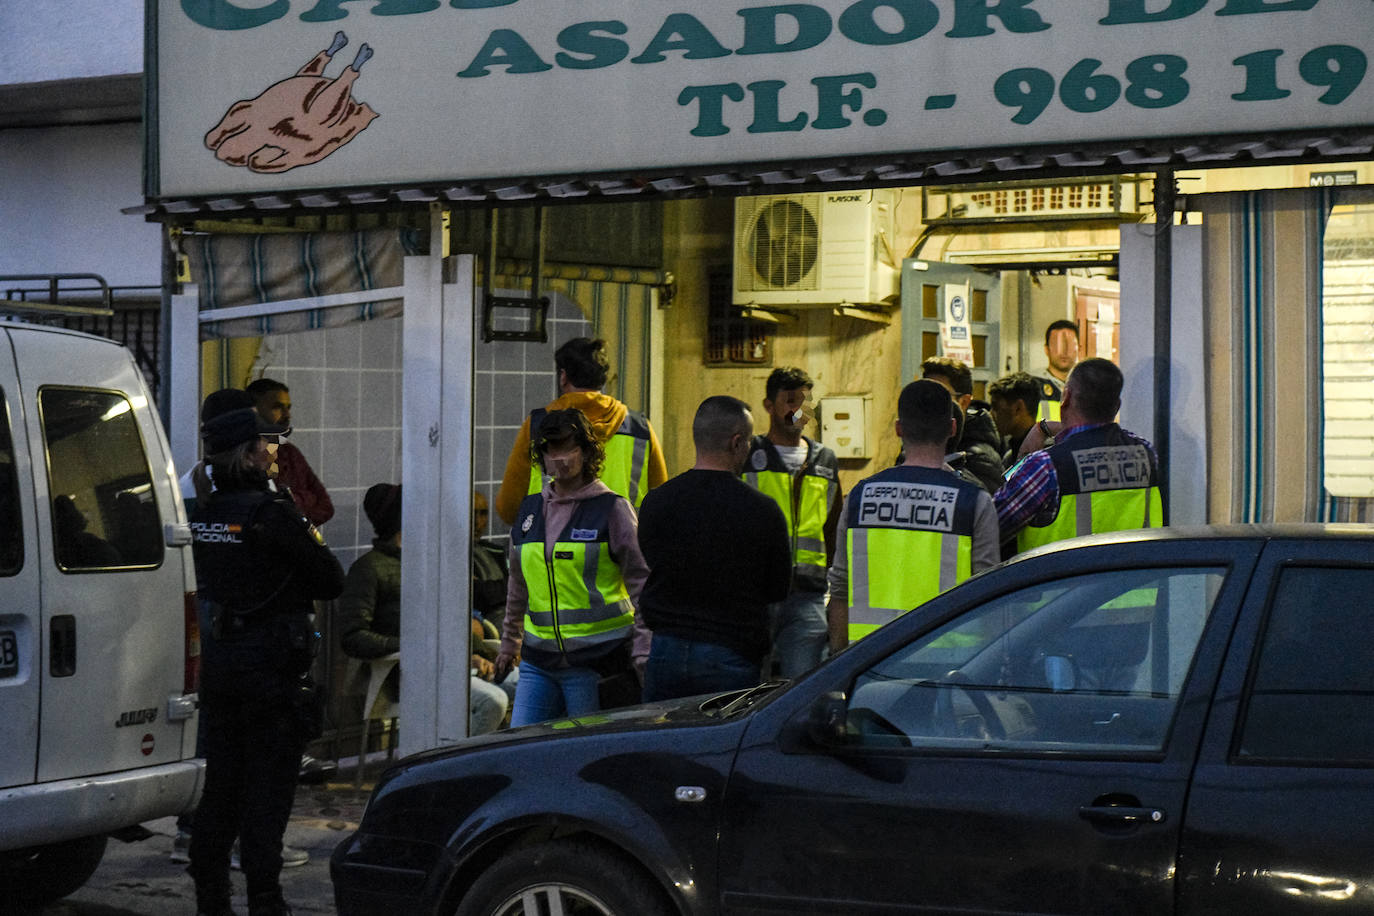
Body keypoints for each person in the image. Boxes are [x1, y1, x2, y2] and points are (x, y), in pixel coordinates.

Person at [186, 406, 345, 916]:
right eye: (266, 443)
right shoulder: (272, 513)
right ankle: (265, 900)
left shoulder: (202, 514)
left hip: (221, 667)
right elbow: (330, 580)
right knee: (267, 795)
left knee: (221, 789)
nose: (273, 450)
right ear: (250, 452)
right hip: (272, 670)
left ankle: (211, 899)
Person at [171, 388, 316, 868]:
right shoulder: (257, 501)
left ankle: (198, 843)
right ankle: (253, 860)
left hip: (209, 634)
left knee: (216, 747)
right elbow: (324, 574)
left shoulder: (190, 488)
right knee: (254, 761)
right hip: (251, 643)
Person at [495, 409, 650, 726]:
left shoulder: (611, 509)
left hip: (595, 660)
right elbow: (517, 584)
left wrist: (644, 648)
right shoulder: (530, 511)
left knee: (583, 755)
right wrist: (510, 643)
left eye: (570, 447)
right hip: (538, 661)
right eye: (553, 448)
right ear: (543, 454)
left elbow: (642, 583)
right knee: (522, 746)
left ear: (587, 451)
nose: (562, 458)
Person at [638, 396, 792, 702]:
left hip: (665, 651)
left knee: (661, 745)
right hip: (730, 655)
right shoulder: (762, 510)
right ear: (737, 443)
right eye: (748, 442)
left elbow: (650, 560)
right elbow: (777, 588)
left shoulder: (656, 501)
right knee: (722, 748)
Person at [827, 380, 1000, 650]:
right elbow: (988, 595)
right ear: (952, 428)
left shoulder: (860, 497)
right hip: (950, 665)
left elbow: (839, 587)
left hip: (868, 660)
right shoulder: (974, 503)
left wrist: (838, 662)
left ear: (898, 429)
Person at [338, 483, 514, 736]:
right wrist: (410, 646)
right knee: (492, 701)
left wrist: (485, 654)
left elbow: (450, 622)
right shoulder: (368, 570)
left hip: (454, 664)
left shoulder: (426, 562)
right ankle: (453, 768)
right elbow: (352, 637)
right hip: (412, 674)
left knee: (528, 686)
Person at [995, 357, 1162, 555]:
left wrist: (1025, 454)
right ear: (1116, 406)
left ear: (1065, 398)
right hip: (1135, 585)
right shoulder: (1146, 453)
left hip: (1060, 585)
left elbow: (991, 526)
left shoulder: (1047, 466)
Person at [494, 337, 667, 525]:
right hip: (621, 548)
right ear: (603, 378)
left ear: (563, 376)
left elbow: (509, 508)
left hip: (551, 549)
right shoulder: (639, 428)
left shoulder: (537, 426)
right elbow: (662, 501)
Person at [744, 367, 842, 679]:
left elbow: (834, 527)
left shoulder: (824, 459)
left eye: (805, 402)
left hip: (808, 595)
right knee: (748, 687)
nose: (798, 410)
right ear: (768, 405)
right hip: (755, 594)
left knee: (803, 687)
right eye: (789, 401)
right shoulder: (748, 454)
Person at [246, 378, 334, 526]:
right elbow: (269, 514)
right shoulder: (244, 458)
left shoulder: (289, 452)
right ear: (254, 410)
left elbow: (326, 507)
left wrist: (293, 505)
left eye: (288, 407)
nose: (287, 415)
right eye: (277, 407)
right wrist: (307, 498)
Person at [920, 356, 1004, 494]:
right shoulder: (916, 443)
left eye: (939, 395)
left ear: (964, 402)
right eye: (924, 394)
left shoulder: (980, 459)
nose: (928, 403)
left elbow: (989, 509)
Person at [470, 491, 509, 633]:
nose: (477, 521)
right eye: (472, 512)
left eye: (483, 513)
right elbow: (478, 594)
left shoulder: (495, 552)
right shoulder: (451, 554)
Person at [988, 371, 1041, 470]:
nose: (991, 414)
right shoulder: (1010, 456)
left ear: (1018, 408)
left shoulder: (1042, 456)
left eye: (996, 407)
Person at [1035, 319, 1080, 421]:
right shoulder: (1032, 385)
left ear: (1079, 348)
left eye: (1070, 345)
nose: (1064, 352)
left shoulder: (1090, 388)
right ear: (1047, 349)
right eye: (1057, 345)